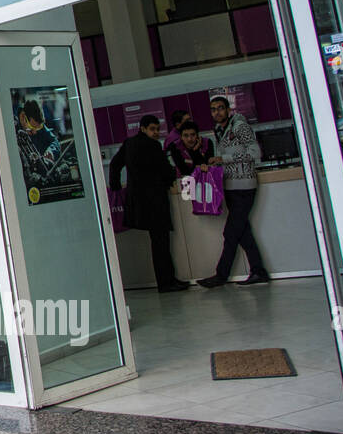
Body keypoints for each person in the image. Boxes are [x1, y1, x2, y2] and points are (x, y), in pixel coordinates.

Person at [109, 115, 187, 292]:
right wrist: (170, 179)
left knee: (157, 242)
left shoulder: (129, 144)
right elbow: (165, 170)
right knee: (161, 242)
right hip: (155, 200)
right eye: (153, 129)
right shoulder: (153, 146)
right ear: (143, 128)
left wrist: (115, 187)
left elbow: (114, 165)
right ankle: (166, 282)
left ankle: (166, 280)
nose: (156, 133)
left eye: (157, 129)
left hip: (138, 202)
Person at [198, 97, 270, 288]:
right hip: (230, 187)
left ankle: (221, 275)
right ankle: (258, 271)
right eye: (213, 109)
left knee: (230, 232)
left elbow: (255, 152)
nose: (217, 112)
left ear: (228, 109)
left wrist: (224, 158)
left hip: (244, 187)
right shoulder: (220, 130)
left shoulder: (239, 126)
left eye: (221, 108)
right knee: (242, 232)